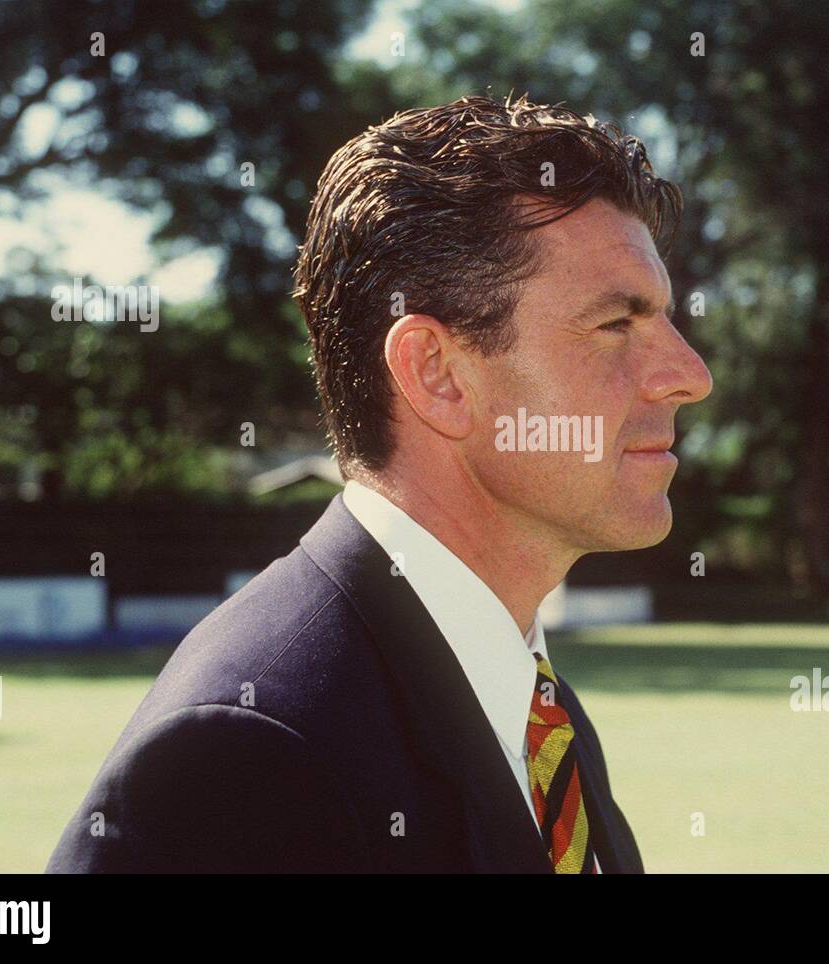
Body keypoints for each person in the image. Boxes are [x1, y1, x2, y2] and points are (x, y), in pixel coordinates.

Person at [46, 92, 712, 873]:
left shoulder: (536, 714)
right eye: (615, 325)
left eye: (666, 321)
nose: (689, 376)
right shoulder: (252, 751)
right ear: (437, 375)